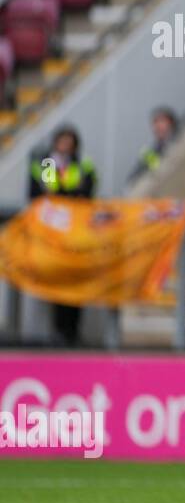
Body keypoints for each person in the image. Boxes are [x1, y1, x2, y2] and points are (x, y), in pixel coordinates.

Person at [28, 125, 97, 347]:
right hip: (54, 233)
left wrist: (67, 195)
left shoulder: (82, 164)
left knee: (76, 281)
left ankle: (73, 330)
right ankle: (58, 331)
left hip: (76, 232)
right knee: (57, 281)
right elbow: (48, 193)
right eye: (62, 141)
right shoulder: (48, 163)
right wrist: (70, 194)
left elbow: (86, 193)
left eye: (70, 141)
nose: (66, 145)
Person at [131, 106, 178, 179]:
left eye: (162, 121)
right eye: (155, 122)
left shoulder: (180, 141)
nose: (158, 126)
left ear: (171, 123)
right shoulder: (149, 153)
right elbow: (134, 177)